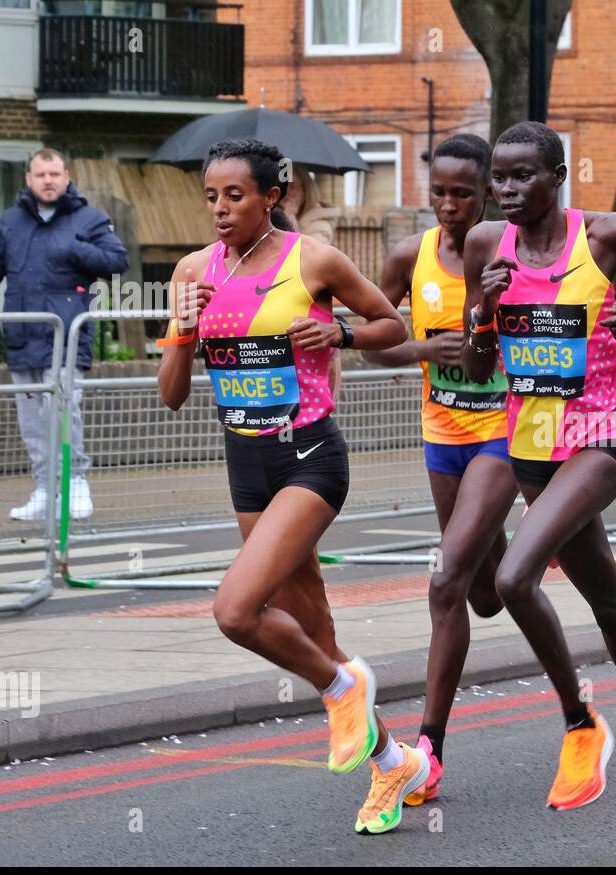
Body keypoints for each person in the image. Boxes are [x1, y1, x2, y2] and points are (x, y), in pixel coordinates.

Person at [156, 138, 419, 834]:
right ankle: (394, 761)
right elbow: (172, 396)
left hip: (309, 457)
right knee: (315, 633)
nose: (219, 209)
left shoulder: (313, 260)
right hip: (247, 467)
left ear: (273, 196)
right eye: (210, 196)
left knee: (236, 611)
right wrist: (183, 330)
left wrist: (337, 334)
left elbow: (392, 323)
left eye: (234, 195)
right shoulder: (191, 272)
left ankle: (342, 688)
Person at [460, 121, 616, 832]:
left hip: (603, 431)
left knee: (512, 578)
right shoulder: (485, 245)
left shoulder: (607, 234)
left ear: (558, 175)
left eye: (521, 177)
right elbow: (479, 368)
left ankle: (578, 722)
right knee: (609, 604)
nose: (505, 190)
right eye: (496, 179)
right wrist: (482, 310)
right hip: (531, 436)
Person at [363, 134, 516, 806]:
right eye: (439, 193)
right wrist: (426, 346)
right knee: (483, 591)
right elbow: (373, 338)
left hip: (507, 432)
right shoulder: (409, 255)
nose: (450, 206)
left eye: (463, 193)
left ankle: (428, 749)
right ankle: (507, 555)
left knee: (445, 583)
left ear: (487, 190)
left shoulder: (511, 255)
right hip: (441, 434)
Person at [0, 147, 129, 521]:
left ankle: (76, 484)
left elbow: (117, 261)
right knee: (32, 421)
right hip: (22, 336)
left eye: (55, 174)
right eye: (41, 175)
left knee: (64, 413)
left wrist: (76, 247)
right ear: (29, 179)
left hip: (66, 338)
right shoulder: (10, 222)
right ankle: (44, 489)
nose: (48, 181)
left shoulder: (88, 218)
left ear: (66, 177)